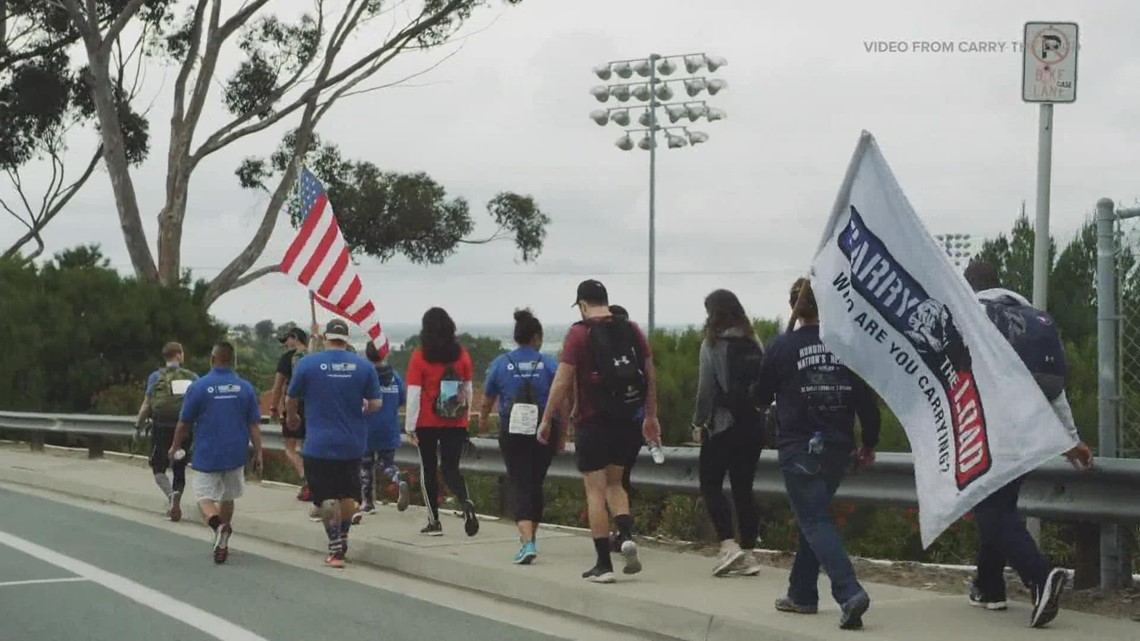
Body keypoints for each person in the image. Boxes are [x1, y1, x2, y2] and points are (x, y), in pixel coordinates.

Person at [963, 260, 1094, 628]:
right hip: (1025, 427)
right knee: (999, 505)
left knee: (991, 510)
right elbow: (1055, 390)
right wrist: (1071, 441)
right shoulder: (1032, 317)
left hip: (992, 423)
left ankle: (1040, 575)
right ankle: (988, 588)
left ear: (969, 286)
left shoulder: (974, 313)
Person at [753, 277, 878, 630]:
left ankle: (849, 592)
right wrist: (869, 442)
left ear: (793, 306)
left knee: (814, 520)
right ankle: (802, 593)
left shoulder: (781, 347)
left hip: (799, 447)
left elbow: (760, 398)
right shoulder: (845, 347)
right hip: (838, 446)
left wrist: (764, 380)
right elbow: (866, 402)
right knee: (816, 515)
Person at [539, 280, 661, 584]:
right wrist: (651, 415)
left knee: (594, 489)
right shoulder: (631, 329)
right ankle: (627, 535)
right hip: (626, 420)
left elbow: (562, 381)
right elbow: (649, 373)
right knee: (616, 484)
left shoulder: (579, 334)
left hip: (593, 423)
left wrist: (547, 418)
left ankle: (603, 564)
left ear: (582, 304)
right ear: (606, 299)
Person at [286, 318, 382, 569]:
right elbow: (375, 404)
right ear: (347, 339)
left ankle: (334, 548)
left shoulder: (307, 364)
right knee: (348, 495)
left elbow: (291, 398)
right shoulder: (364, 367)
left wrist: (294, 418)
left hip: (318, 444)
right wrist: (362, 410)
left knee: (325, 498)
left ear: (326, 337)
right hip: (352, 442)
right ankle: (344, 537)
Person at [691, 289, 766, 577]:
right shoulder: (753, 339)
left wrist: (698, 423)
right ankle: (748, 553)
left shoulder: (711, 345)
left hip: (723, 426)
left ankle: (728, 544)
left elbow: (705, 391)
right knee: (743, 489)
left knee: (710, 483)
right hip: (752, 426)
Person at [169, 342, 263, 564]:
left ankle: (218, 526)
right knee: (227, 496)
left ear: (212, 359)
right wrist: (259, 451)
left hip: (207, 452)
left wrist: (174, 446)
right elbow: (254, 425)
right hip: (236, 453)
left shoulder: (199, 387)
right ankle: (223, 542)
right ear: (232, 360)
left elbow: (184, 423)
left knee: (204, 497)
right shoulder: (245, 388)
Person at [480, 309, 561, 564]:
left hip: (512, 429)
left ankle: (527, 542)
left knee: (519, 482)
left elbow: (487, 398)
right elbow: (563, 396)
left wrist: (483, 422)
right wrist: (564, 429)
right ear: (537, 337)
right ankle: (530, 539)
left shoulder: (501, 363)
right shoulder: (549, 363)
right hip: (545, 428)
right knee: (535, 482)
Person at [404, 307, 479, 537]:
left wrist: (409, 426)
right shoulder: (462, 355)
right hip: (454, 420)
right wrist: (464, 419)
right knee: (451, 468)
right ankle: (465, 502)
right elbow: (468, 390)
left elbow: (414, 394)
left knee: (428, 469)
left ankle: (434, 521)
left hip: (427, 421)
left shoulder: (419, 356)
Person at [136, 341, 198, 522]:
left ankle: (170, 495)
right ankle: (176, 497)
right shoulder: (192, 376)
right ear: (179, 355)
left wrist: (138, 425)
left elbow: (147, 404)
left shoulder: (156, 377)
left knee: (158, 468)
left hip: (161, 427)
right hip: (184, 428)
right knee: (179, 467)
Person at [354, 341, 409, 521]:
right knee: (387, 464)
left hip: (367, 427)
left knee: (366, 466)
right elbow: (402, 399)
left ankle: (367, 503)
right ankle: (397, 477)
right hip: (389, 427)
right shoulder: (395, 376)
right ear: (385, 354)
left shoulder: (364, 374)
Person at [270, 327, 311, 502]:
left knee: (289, 448)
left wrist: (274, 407)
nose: (285, 345)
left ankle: (306, 479)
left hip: (293, 404)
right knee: (307, 447)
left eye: (286, 340)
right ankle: (313, 481)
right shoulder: (314, 355)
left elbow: (278, 386)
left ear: (294, 338)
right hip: (313, 406)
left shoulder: (288, 358)